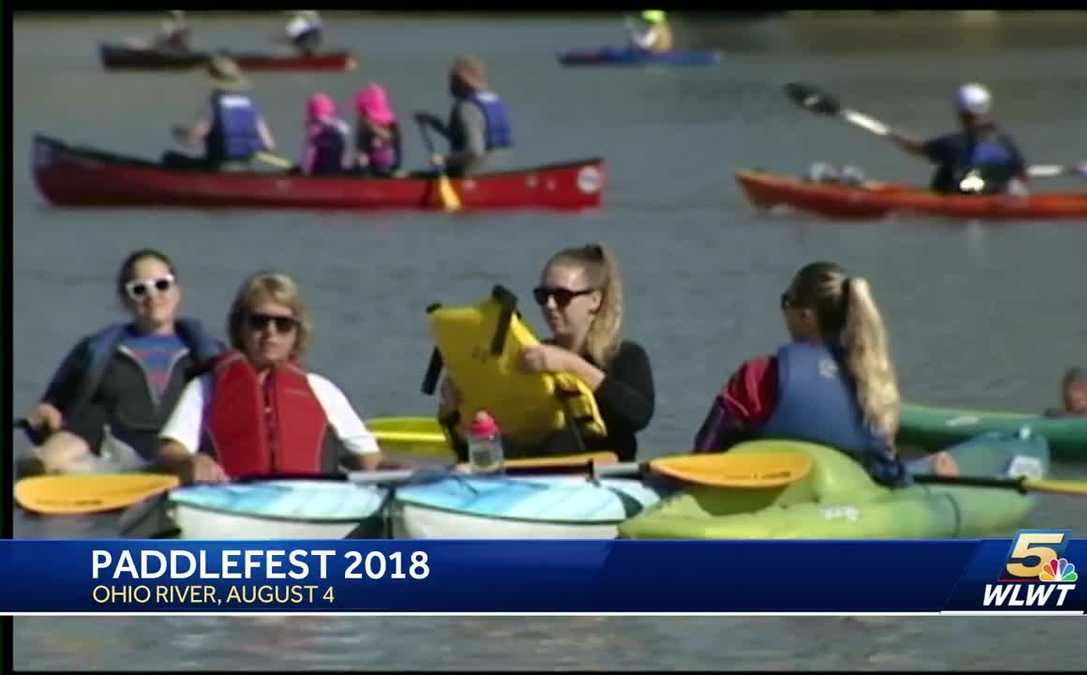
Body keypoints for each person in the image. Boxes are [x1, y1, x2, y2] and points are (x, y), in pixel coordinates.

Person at [693, 261, 958, 485]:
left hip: (770, 499)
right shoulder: (874, 381)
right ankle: (932, 466)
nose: (784, 310)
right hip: (848, 500)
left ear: (806, 316)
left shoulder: (759, 376)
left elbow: (706, 450)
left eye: (786, 301)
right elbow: (889, 471)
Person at [157, 271, 385, 484]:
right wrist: (189, 462)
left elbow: (370, 460)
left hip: (311, 502)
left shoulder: (321, 390)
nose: (270, 332)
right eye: (259, 322)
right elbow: (170, 449)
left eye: (283, 324)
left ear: (297, 332)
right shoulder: (206, 387)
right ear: (240, 327)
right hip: (233, 501)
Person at [439, 243, 655, 462]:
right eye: (543, 296)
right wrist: (454, 415)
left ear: (595, 300)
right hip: (534, 480)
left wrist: (570, 364)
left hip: (604, 480)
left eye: (562, 296)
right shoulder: (530, 358)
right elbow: (475, 456)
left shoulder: (625, 356)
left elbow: (638, 416)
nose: (550, 305)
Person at [19, 249, 224, 476]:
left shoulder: (209, 353)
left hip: (176, 452)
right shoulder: (96, 348)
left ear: (177, 291)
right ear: (125, 299)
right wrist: (46, 411)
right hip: (109, 447)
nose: (153, 296)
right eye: (139, 289)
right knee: (88, 420)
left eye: (162, 285)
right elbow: (55, 401)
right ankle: (42, 464)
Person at [887, 83, 1029, 196]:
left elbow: (918, 149)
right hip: (997, 195)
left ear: (960, 113)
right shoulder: (1004, 140)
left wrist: (897, 137)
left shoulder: (952, 144)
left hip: (960, 198)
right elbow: (1023, 174)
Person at [167, 56, 277, 171]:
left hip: (217, 166)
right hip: (245, 167)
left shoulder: (214, 105)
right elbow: (269, 145)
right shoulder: (250, 105)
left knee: (169, 157)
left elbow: (193, 139)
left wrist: (180, 133)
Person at [413, 55, 513, 177]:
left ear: (462, 82)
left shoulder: (466, 107)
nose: (449, 86)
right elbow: (461, 136)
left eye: (452, 80)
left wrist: (443, 160)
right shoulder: (493, 99)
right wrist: (433, 122)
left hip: (474, 173)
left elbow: (474, 151)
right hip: (501, 169)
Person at [352, 83, 402, 176]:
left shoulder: (391, 124)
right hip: (369, 170)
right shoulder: (363, 123)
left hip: (389, 171)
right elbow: (361, 148)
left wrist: (370, 125)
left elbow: (390, 137)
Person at [299, 92, 350, 176]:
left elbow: (308, 158)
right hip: (336, 172)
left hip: (319, 174)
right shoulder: (338, 127)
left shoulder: (315, 130)